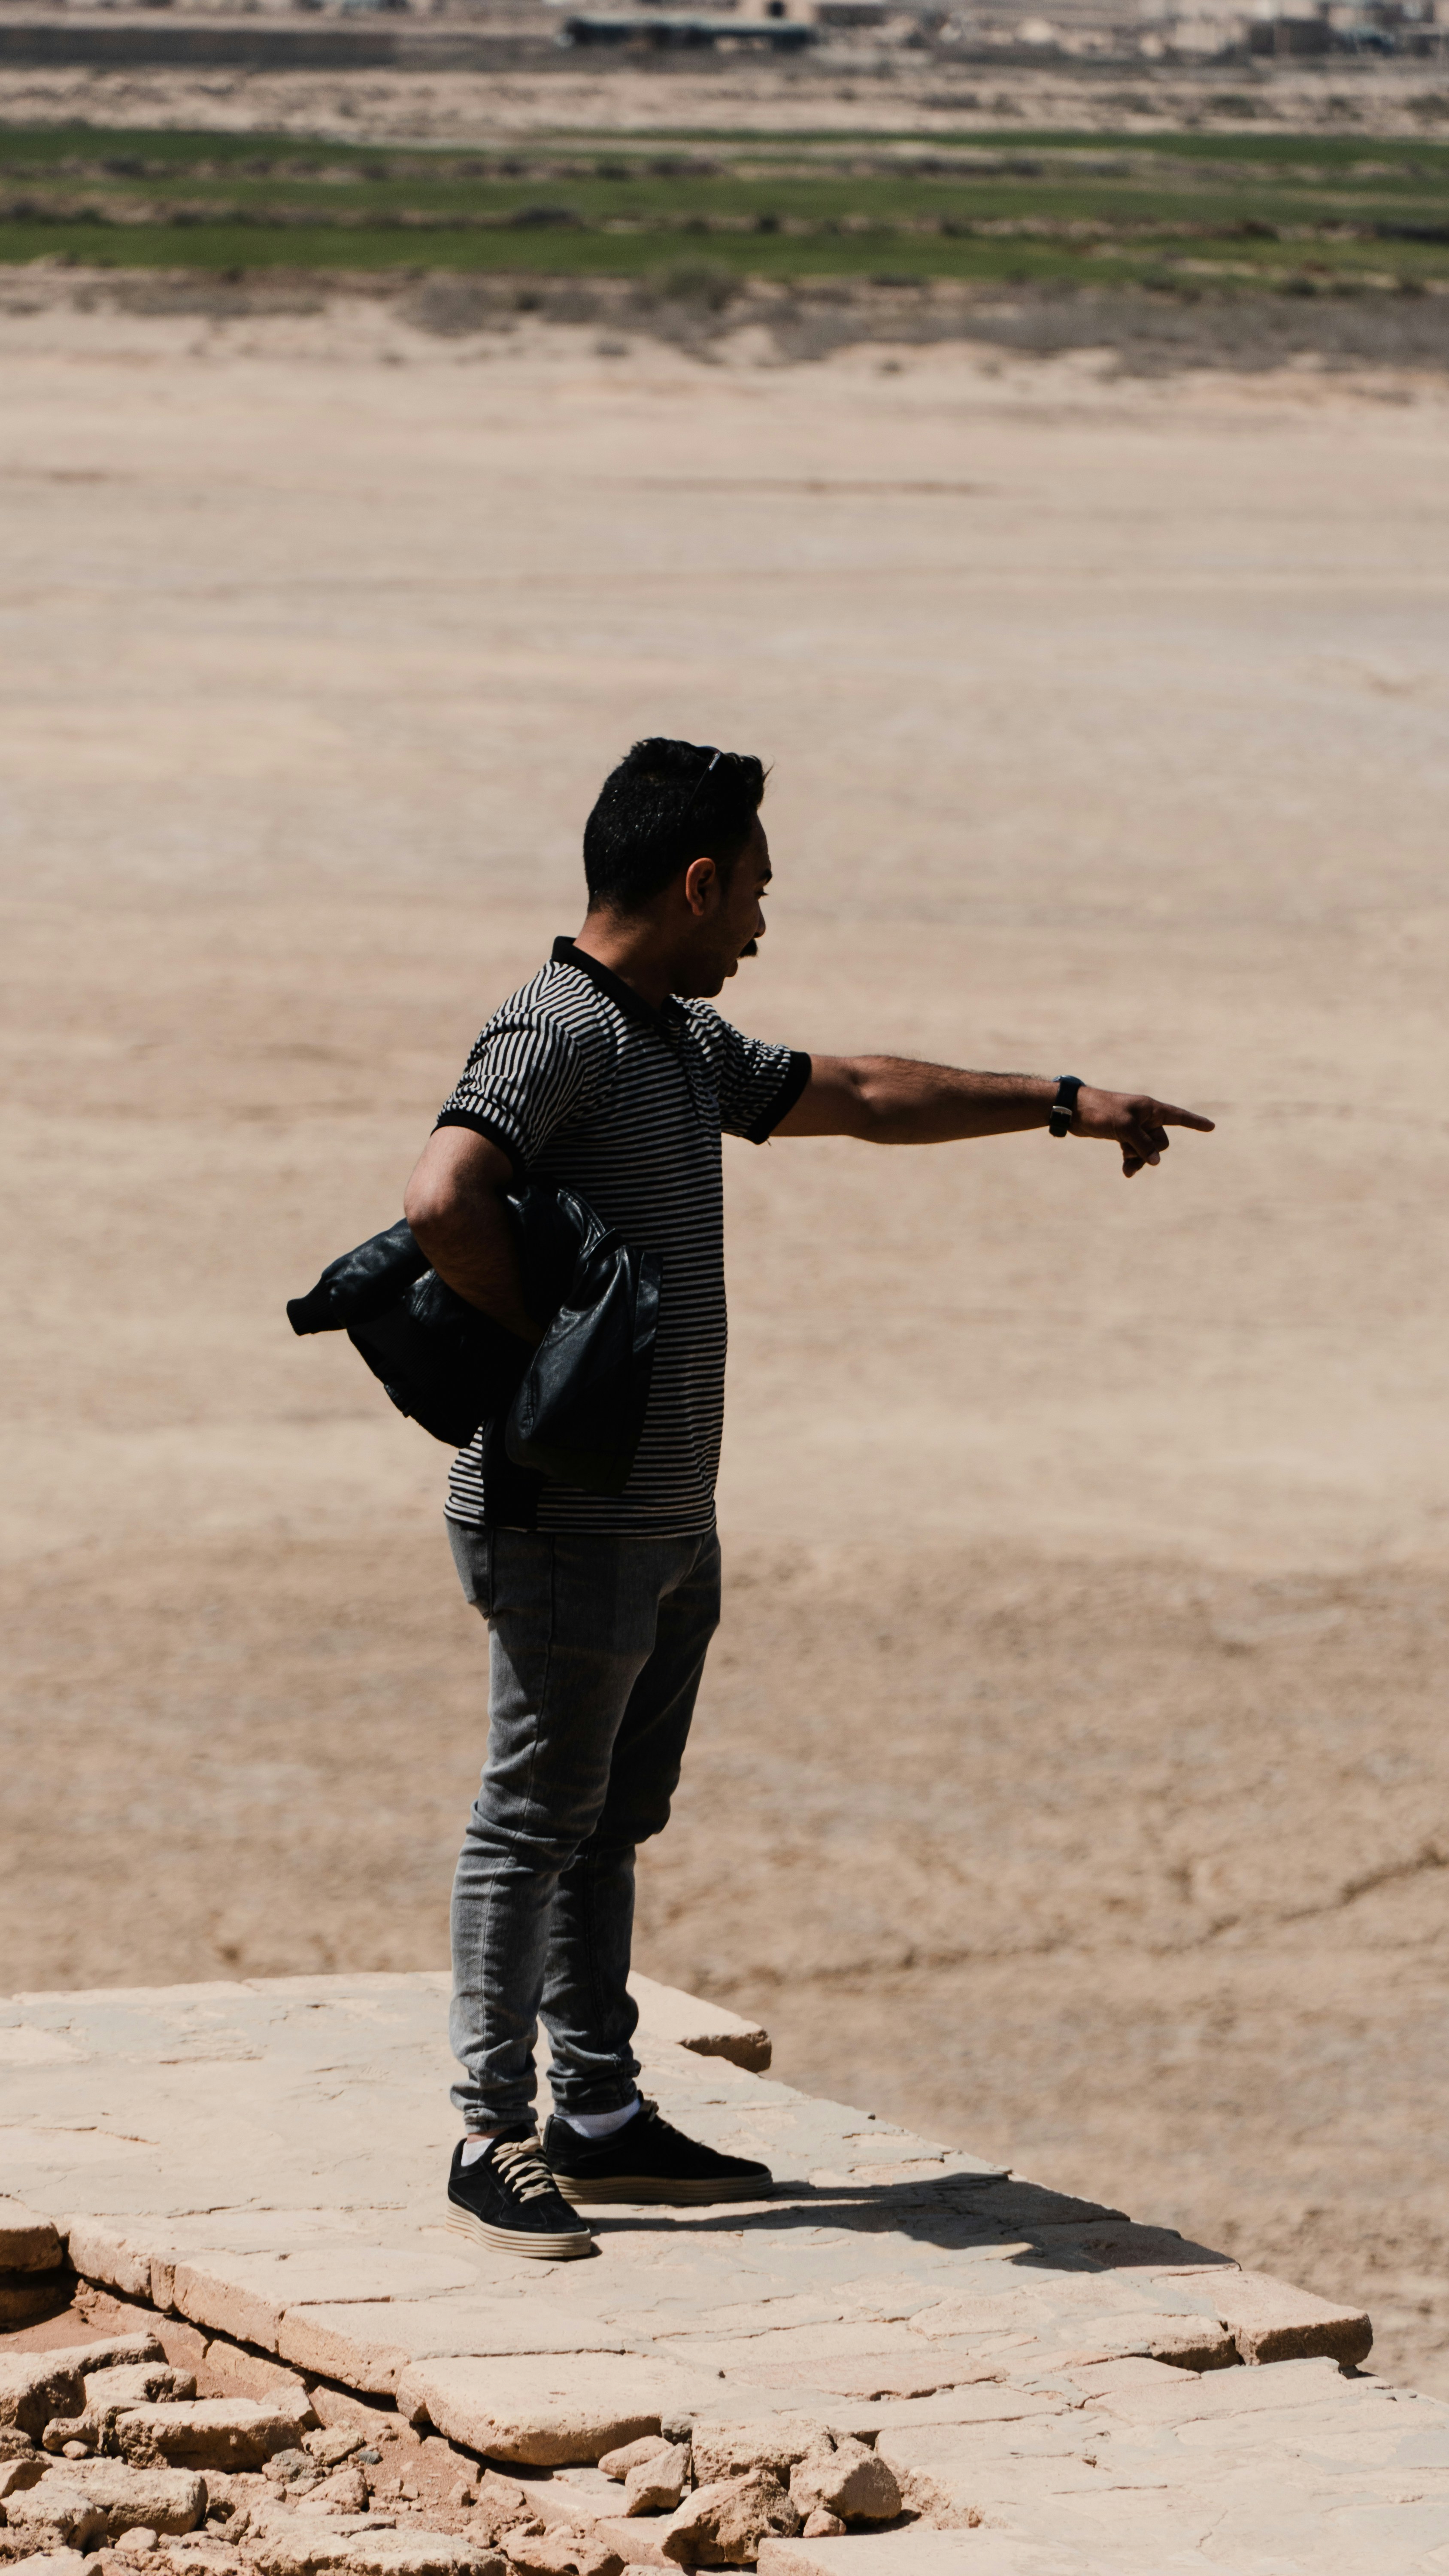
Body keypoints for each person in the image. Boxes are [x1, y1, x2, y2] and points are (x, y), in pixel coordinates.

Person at [403, 737, 1214, 2261]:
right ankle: (487, 2137)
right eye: (757, 894)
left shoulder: (674, 1042)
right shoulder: (556, 1027)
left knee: (603, 1822)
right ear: (699, 882)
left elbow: (858, 1090)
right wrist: (552, 1357)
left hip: (661, 1510)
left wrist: (1063, 1100)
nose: (765, 927)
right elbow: (443, 1197)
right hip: (569, 1510)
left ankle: (596, 2113)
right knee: (533, 1818)